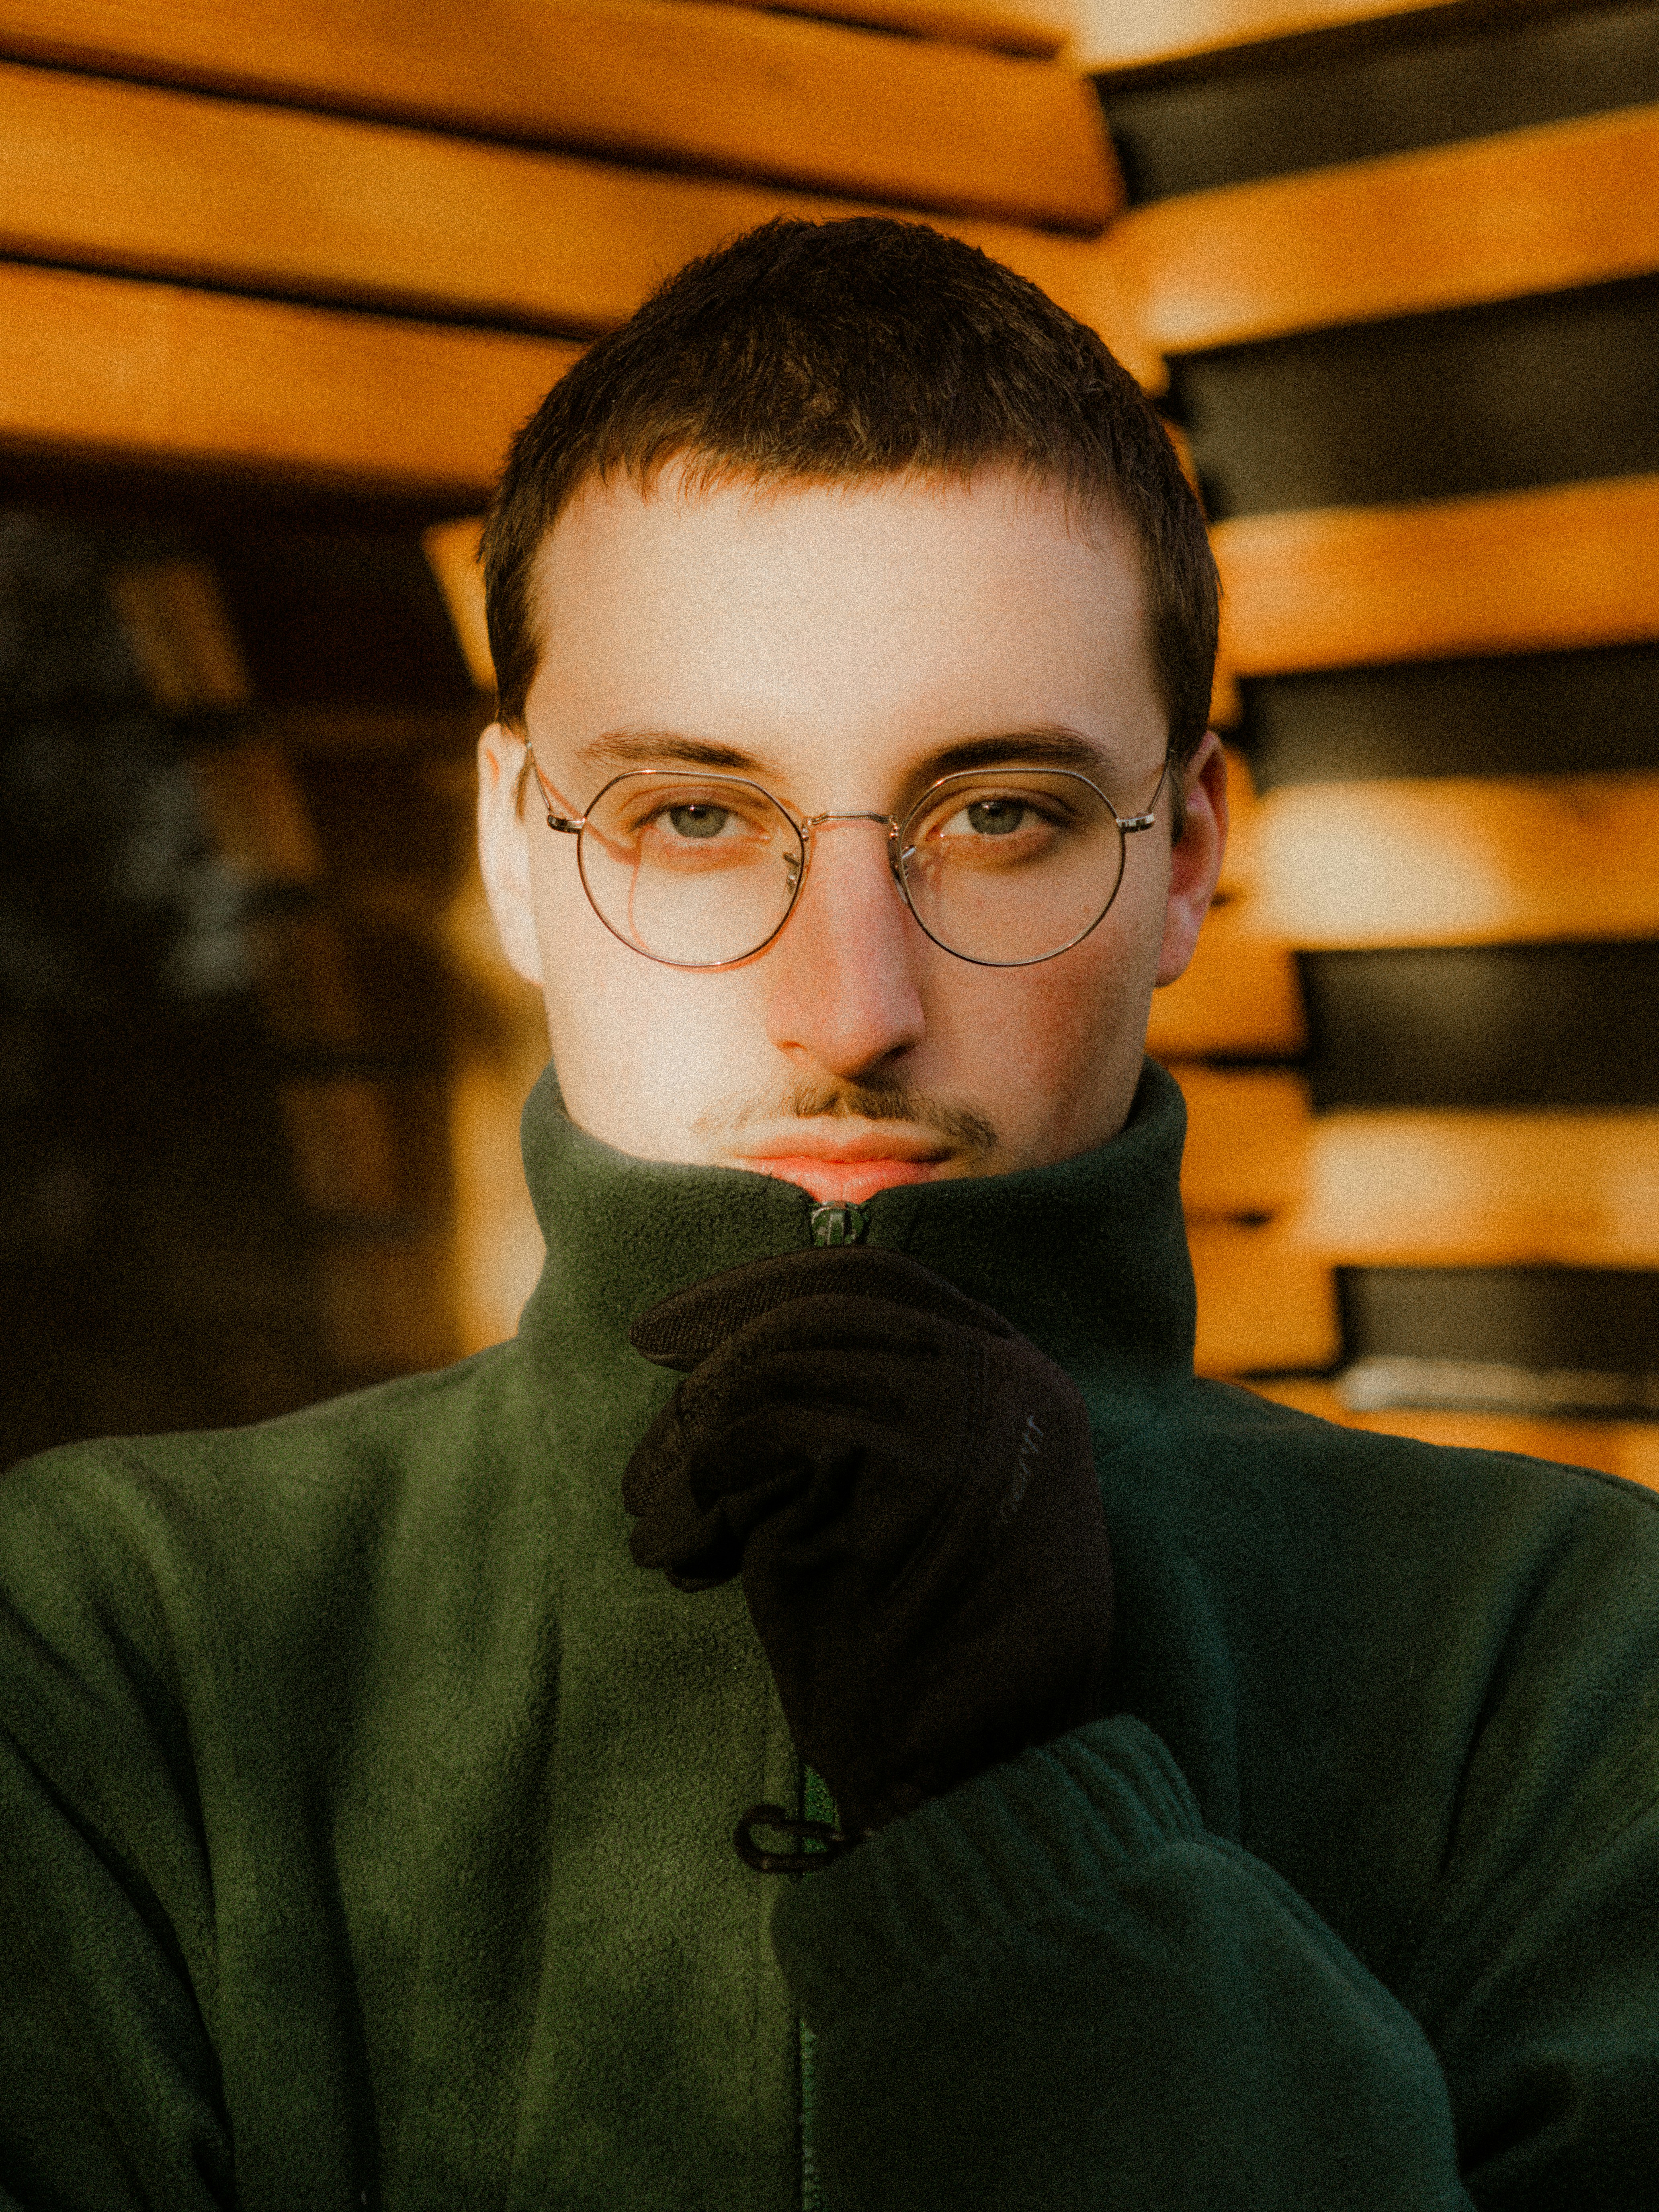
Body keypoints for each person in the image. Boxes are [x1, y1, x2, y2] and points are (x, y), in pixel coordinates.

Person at [2, 216, 1654, 2212]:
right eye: (695, 818)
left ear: (1188, 854)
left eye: (999, 815)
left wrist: (1036, 1841)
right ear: (510, 853)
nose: (855, 1004)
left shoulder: (1565, 1655)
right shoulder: (113, 1640)